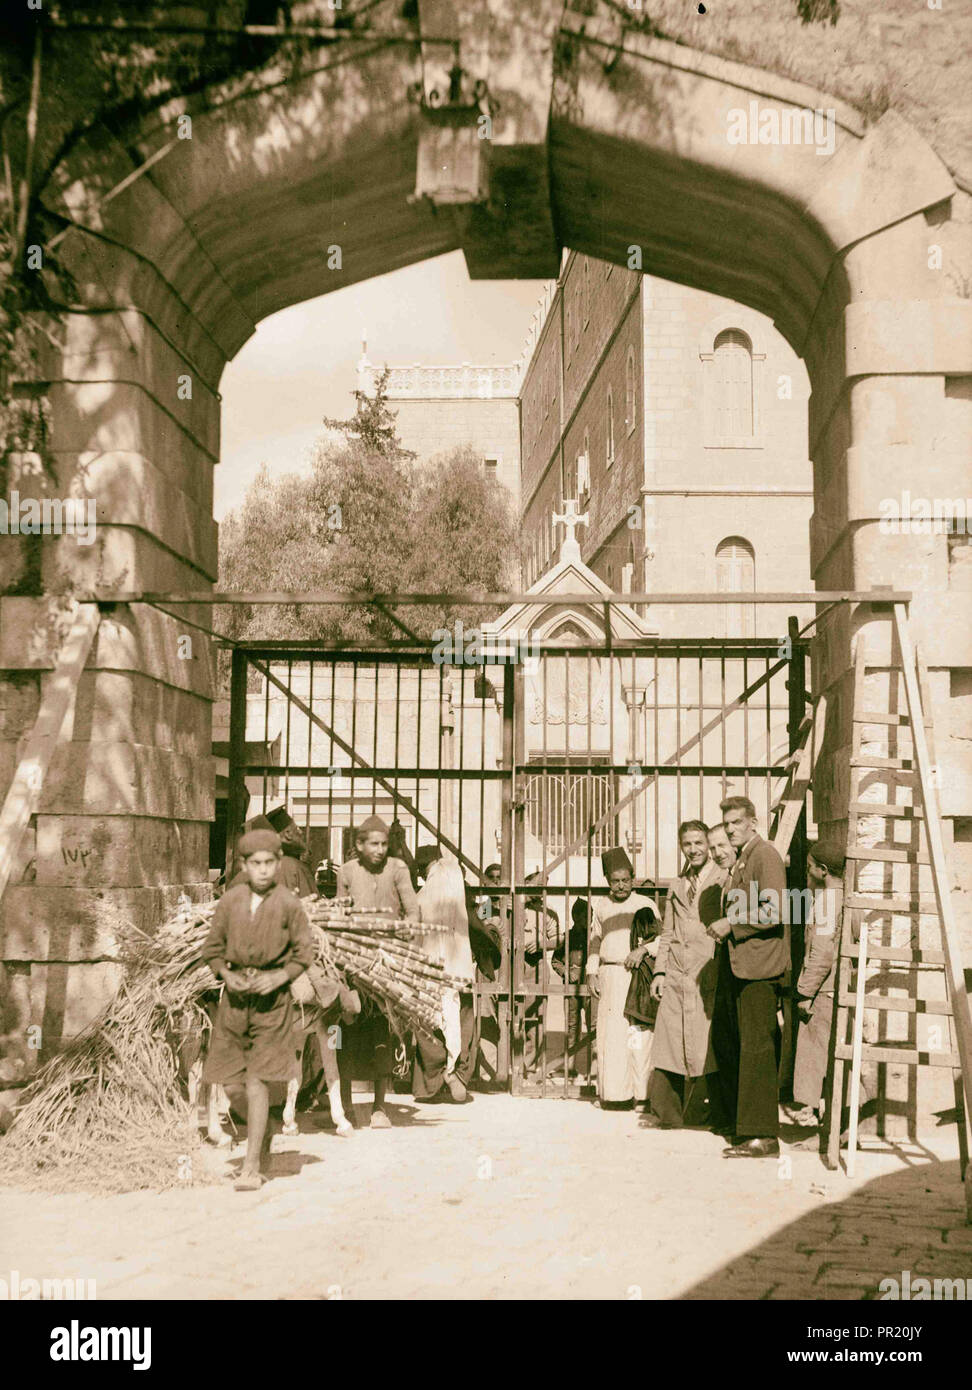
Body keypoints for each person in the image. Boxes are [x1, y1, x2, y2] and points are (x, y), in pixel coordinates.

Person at [200, 828, 314, 1190]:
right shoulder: (230, 901)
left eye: (269, 863)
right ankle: (262, 1133)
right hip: (235, 1000)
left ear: (278, 863)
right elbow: (212, 949)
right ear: (244, 865)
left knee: (256, 1080)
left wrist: (280, 976)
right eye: (255, 864)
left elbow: (303, 954)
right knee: (231, 1083)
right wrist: (224, 975)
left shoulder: (288, 904)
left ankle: (251, 1166)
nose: (263, 870)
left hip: (271, 1002)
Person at [706, 796, 788, 1159]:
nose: (730, 829)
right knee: (731, 1043)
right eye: (726, 824)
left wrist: (730, 924)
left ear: (754, 822)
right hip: (740, 965)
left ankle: (763, 1136)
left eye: (737, 822)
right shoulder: (742, 860)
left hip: (759, 968)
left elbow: (776, 910)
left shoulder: (764, 855)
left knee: (757, 1049)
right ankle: (742, 1125)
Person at [640, 820, 726, 1130]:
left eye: (699, 843)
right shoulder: (677, 885)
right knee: (670, 1042)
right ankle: (667, 1114)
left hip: (707, 973)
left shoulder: (724, 879)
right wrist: (660, 971)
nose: (693, 850)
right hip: (676, 973)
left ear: (709, 845)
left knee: (708, 1044)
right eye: (687, 844)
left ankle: (713, 1113)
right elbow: (667, 932)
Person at [336, 815, 418, 1128]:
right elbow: (340, 914)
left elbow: (412, 911)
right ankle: (343, 1104)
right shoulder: (347, 871)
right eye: (374, 844)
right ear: (359, 845)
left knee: (382, 1034)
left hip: (386, 964)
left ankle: (379, 1107)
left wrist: (398, 940)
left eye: (384, 844)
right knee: (341, 1033)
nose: (380, 850)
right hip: (353, 964)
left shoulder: (398, 869)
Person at [586, 848, 660, 1106]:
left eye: (625, 880)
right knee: (612, 1036)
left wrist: (643, 950)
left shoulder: (645, 904)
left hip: (636, 977)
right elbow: (595, 940)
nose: (620, 886)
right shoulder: (602, 905)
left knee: (638, 1035)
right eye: (615, 880)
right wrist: (591, 972)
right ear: (608, 880)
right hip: (609, 976)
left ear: (633, 878)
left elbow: (662, 938)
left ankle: (642, 1096)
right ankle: (615, 1095)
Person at [790, 842, 844, 1127]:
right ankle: (828, 1108)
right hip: (836, 986)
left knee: (814, 1047)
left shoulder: (826, 902)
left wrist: (805, 991)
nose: (808, 872)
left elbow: (821, 953)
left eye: (811, 866)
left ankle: (811, 1108)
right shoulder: (847, 897)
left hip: (822, 989)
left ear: (823, 871)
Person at [415, 853, 476, 1101]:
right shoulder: (461, 903)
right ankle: (456, 1075)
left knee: (427, 1026)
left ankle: (435, 1079)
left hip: (428, 974)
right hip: (457, 973)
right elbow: (482, 931)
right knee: (461, 1021)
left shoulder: (420, 899)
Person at [705, 821, 739, 1136]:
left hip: (747, 968)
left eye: (721, 846)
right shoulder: (725, 880)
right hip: (727, 965)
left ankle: (738, 1118)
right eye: (712, 848)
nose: (716, 853)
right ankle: (728, 1116)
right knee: (724, 1042)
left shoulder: (744, 876)